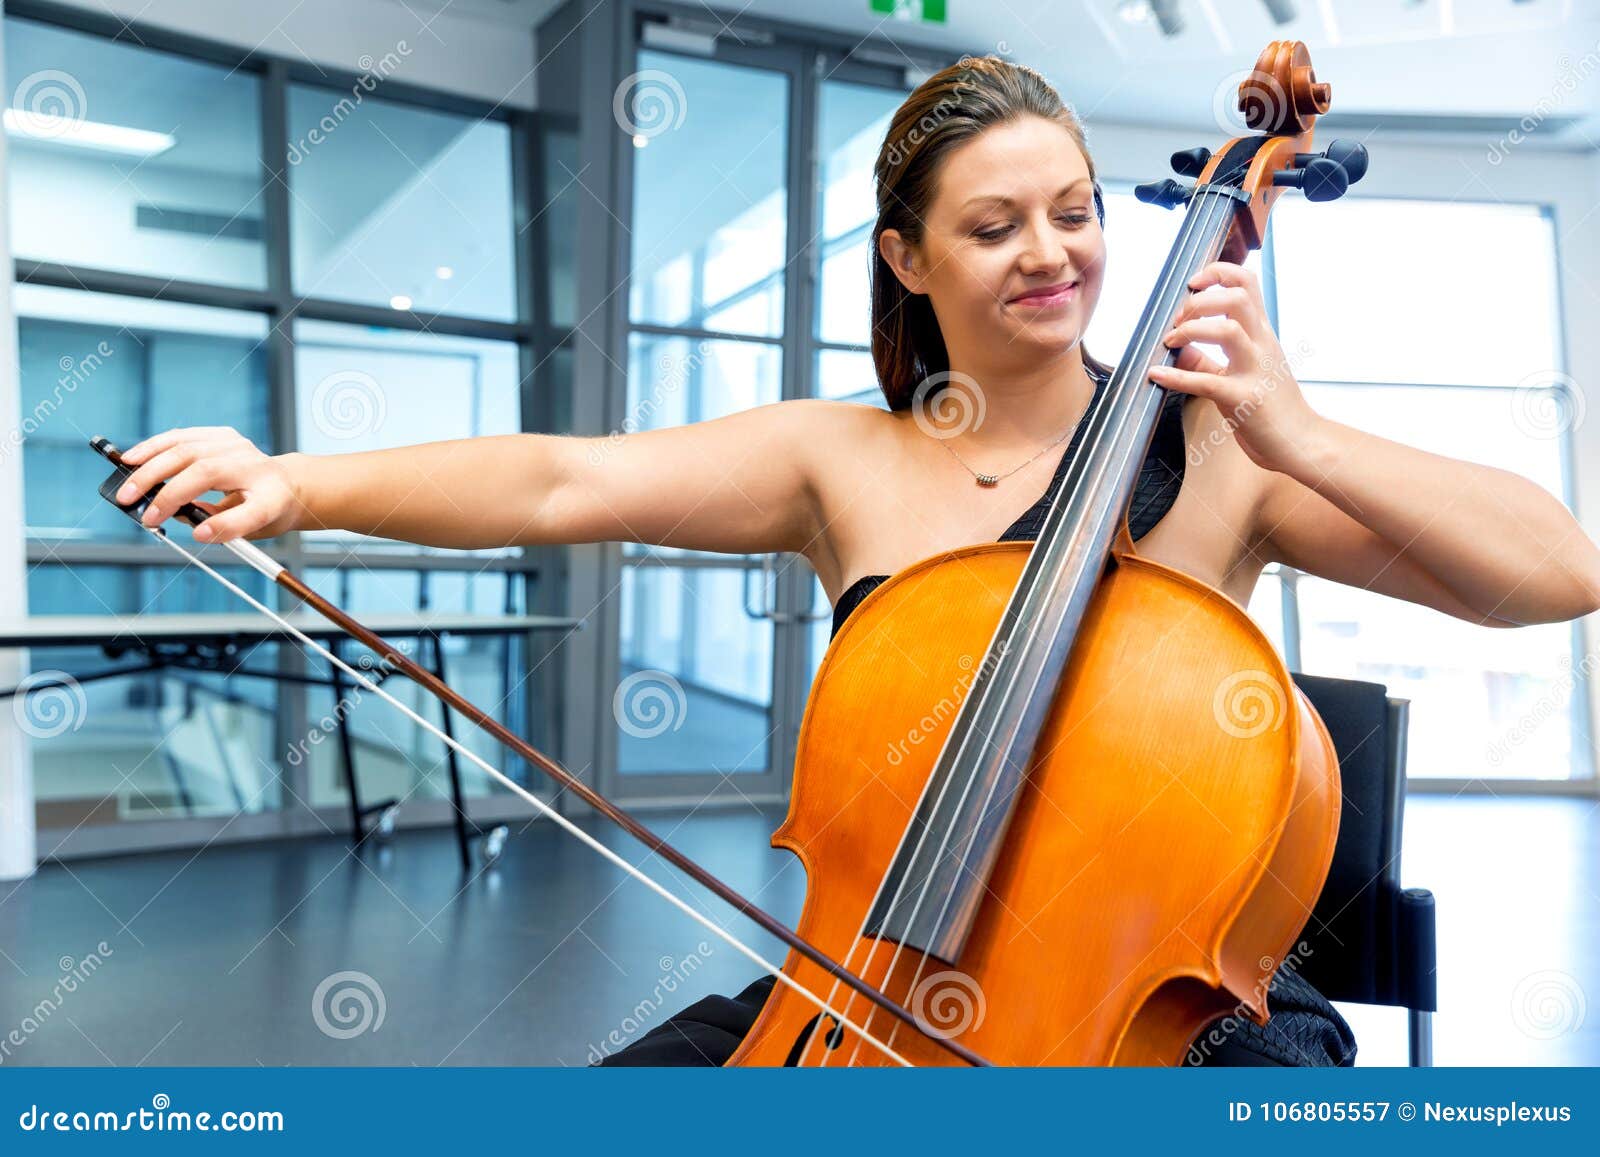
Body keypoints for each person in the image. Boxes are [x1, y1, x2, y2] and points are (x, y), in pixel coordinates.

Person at [113, 56, 1600, 1067]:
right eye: (995, 225)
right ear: (907, 260)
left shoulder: (1219, 449)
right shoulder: (843, 458)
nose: (1053, 254)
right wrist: (296, 481)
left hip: (1160, 1021)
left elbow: (1555, 570)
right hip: (868, 982)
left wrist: (1301, 432)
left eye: (1075, 213)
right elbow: (564, 475)